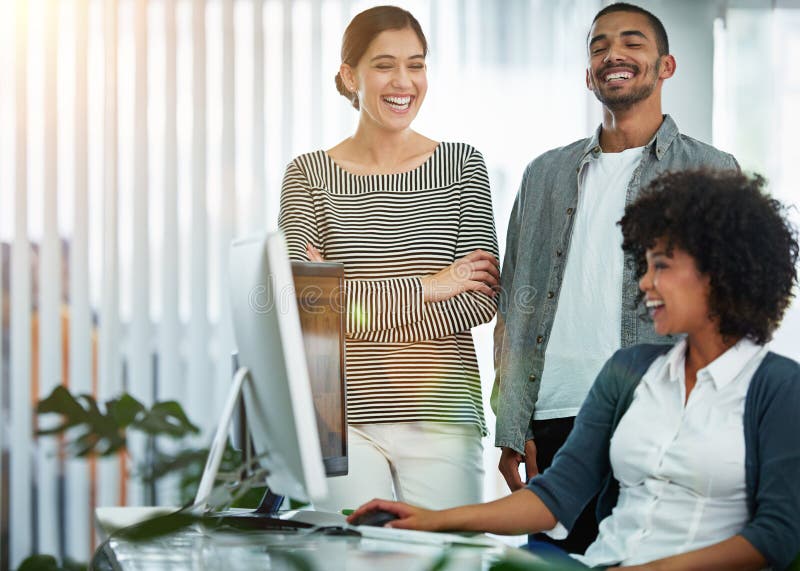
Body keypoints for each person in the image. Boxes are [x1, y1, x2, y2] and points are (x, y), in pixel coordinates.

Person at [348, 168, 800, 571]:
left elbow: (775, 536)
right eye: (644, 265)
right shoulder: (630, 371)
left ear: (720, 272)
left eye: (661, 266)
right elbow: (554, 497)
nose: (644, 282)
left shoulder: (778, 386)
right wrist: (431, 519)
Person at [492, 2, 739, 553]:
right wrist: (513, 426)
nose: (613, 54)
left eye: (632, 42)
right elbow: (515, 306)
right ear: (588, 74)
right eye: (599, 46)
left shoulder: (712, 171)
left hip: (660, 419)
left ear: (666, 65)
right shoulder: (544, 174)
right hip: (555, 423)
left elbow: (728, 314)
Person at [278, 6, 499, 512]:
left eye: (416, 64)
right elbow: (311, 305)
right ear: (349, 75)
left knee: (452, 564)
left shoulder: (463, 165)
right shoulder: (308, 176)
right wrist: (432, 285)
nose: (404, 81)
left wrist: (348, 298)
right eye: (384, 65)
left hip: (443, 416)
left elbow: (480, 302)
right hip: (341, 417)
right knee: (353, 560)